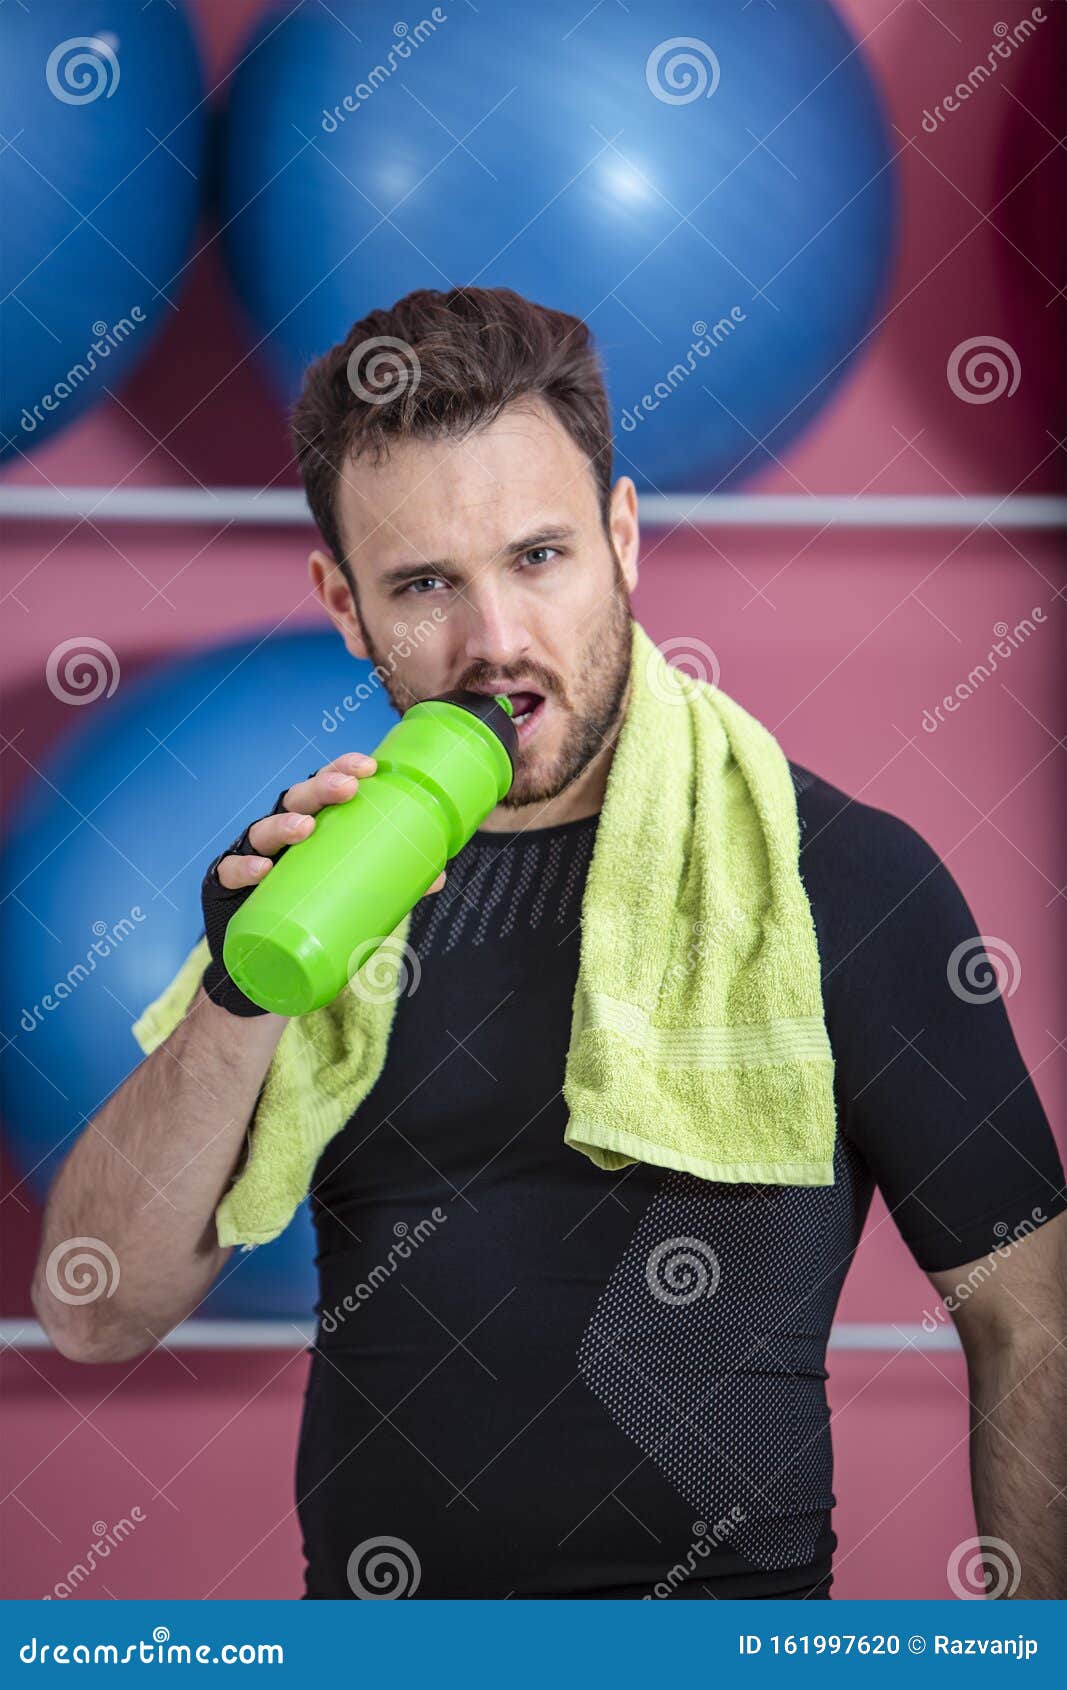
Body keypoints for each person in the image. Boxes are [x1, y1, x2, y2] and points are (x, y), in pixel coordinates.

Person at [32, 287, 1067, 1600]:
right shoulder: (323, 894)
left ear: (622, 538)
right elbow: (94, 1307)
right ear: (344, 606)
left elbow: (1034, 1314)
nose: (496, 644)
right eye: (424, 585)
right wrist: (240, 992)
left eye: (538, 557)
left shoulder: (836, 878)